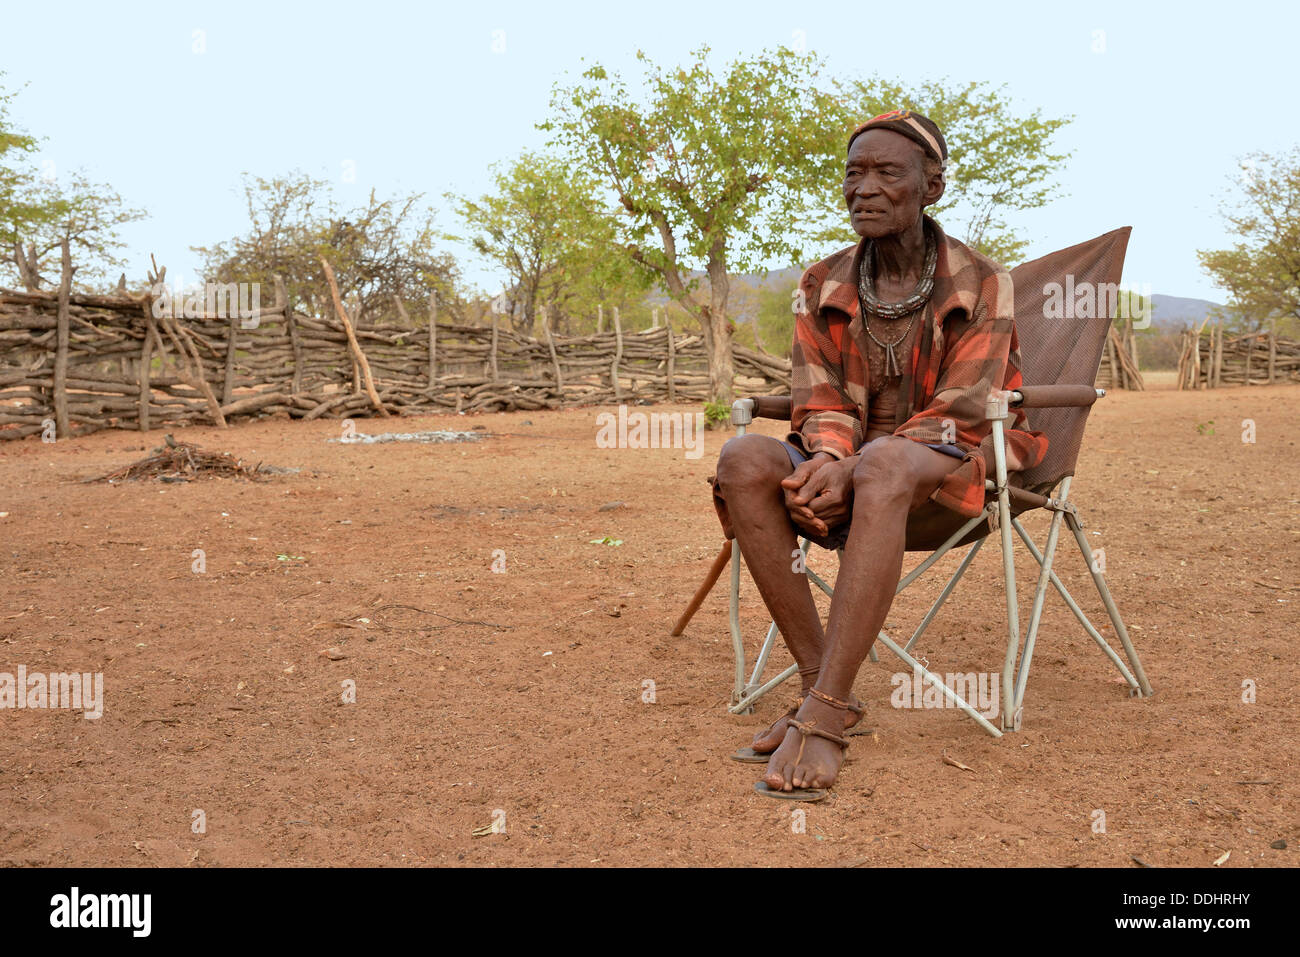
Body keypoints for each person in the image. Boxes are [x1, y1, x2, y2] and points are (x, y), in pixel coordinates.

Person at [710, 109, 1047, 797]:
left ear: (932, 187)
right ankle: (820, 686)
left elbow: (959, 409)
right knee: (744, 457)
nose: (863, 187)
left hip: (954, 459)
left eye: (887, 173)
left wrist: (858, 464)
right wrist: (831, 457)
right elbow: (820, 397)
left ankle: (825, 719)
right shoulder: (822, 281)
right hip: (854, 467)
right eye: (853, 172)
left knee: (888, 462)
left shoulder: (983, 282)